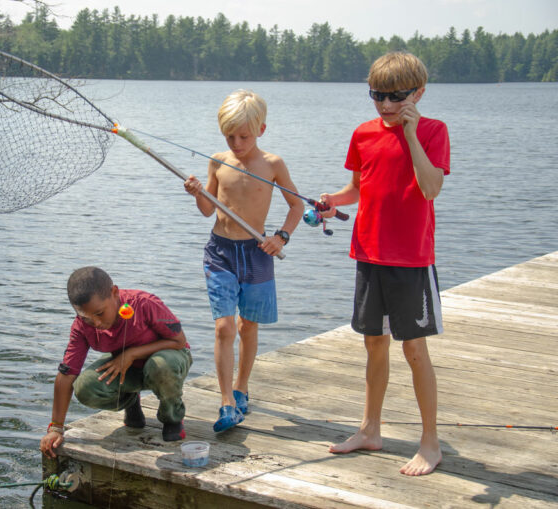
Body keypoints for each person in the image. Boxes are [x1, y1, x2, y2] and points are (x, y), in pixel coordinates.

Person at [319, 51, 450, 476]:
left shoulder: (433, 131)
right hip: (368, 253)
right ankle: (369, 430)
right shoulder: (363, 133)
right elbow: (358, 188)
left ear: (418, 93)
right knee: (374, 342)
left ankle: (430, 443)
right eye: (378, 96)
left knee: (414, 349)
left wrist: (410, 135)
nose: (387, 105)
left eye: (396, 96)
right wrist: (333, 201)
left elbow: (431, 188)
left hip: (410, 259)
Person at [184, 90, 304, 432]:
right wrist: (198, 194)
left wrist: (281, 236)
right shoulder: (218, 161)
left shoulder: (273, 164)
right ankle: (226, 403)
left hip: (257, 252)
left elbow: (296, 206)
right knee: (224, 327)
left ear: (261, 130)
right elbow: (208, 210)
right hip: (220, 253)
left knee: (247, 325)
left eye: (244, 137)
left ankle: (241, 388)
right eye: (230, 137)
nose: (236, 143)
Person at [40, 267, 192, 458]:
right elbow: (67, 373)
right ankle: (131, 401)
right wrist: (56, 428)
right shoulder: (81, 326)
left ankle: (172, 417)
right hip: (127, 368)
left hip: (169, 359)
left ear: (114, 293)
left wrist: (132, 354)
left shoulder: (144, 303)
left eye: (100, 313)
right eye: (86, 317)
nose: (96, 323)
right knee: (85, 387)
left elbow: (178, 341)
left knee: (160, 366)